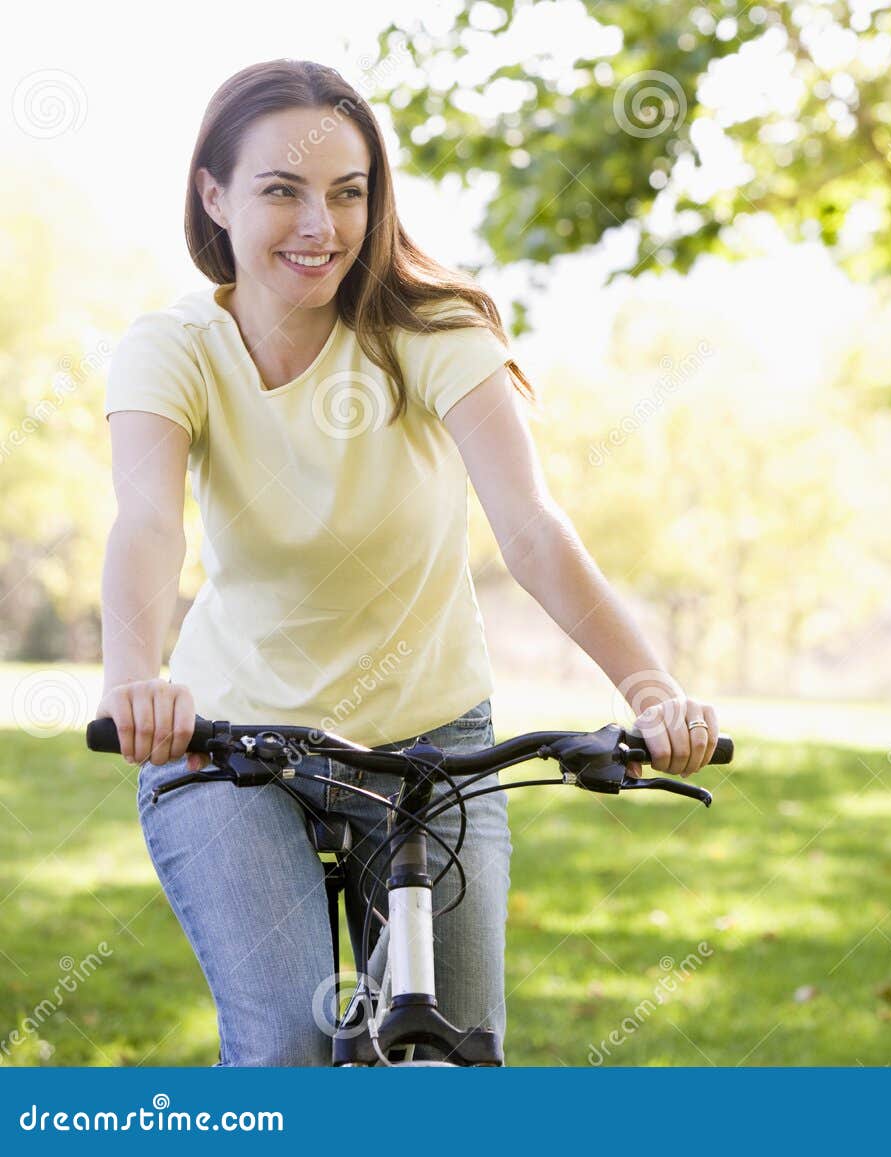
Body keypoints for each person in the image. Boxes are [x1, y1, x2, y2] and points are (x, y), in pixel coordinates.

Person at [95, 59, 721, 1066]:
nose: (320, 225)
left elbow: (530, 526)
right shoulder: (172, 348)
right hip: (231, 742)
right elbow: (145, 525)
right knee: (288, 1046)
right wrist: (136, 676)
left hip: (429, 745)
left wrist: (649, 687)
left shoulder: (430, 329)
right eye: (281, 191)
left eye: (349, 193)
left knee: (447, 1065)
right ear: (213, 195)